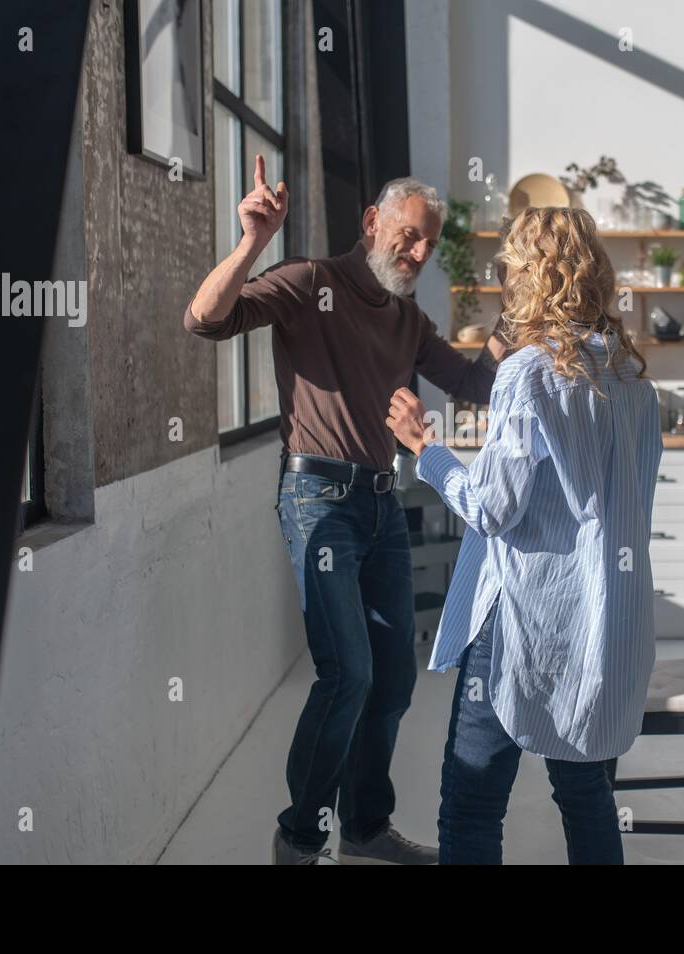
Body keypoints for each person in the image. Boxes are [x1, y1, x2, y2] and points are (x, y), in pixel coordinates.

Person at [184, 155, 509, 864]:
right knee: (350, 674)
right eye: (410, 236)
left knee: (393, 677)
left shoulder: (406, 317)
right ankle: (300, 835)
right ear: (372, 223)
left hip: (381, 503)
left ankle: (363, 828)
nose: (420, 253)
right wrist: (251, 244)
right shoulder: (309, 283)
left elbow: (474, 384)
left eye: (429, 243)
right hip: (316, 500)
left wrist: (514, 311)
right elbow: (204, 319)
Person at [385, 206, 663, 864]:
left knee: (473, 799)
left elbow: (489, 509)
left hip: (524, 621)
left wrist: (428, 450)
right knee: (584, 789)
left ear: (532, 279)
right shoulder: (634, 381)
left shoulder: (529, 373)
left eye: (512, 269)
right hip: (600, 623)